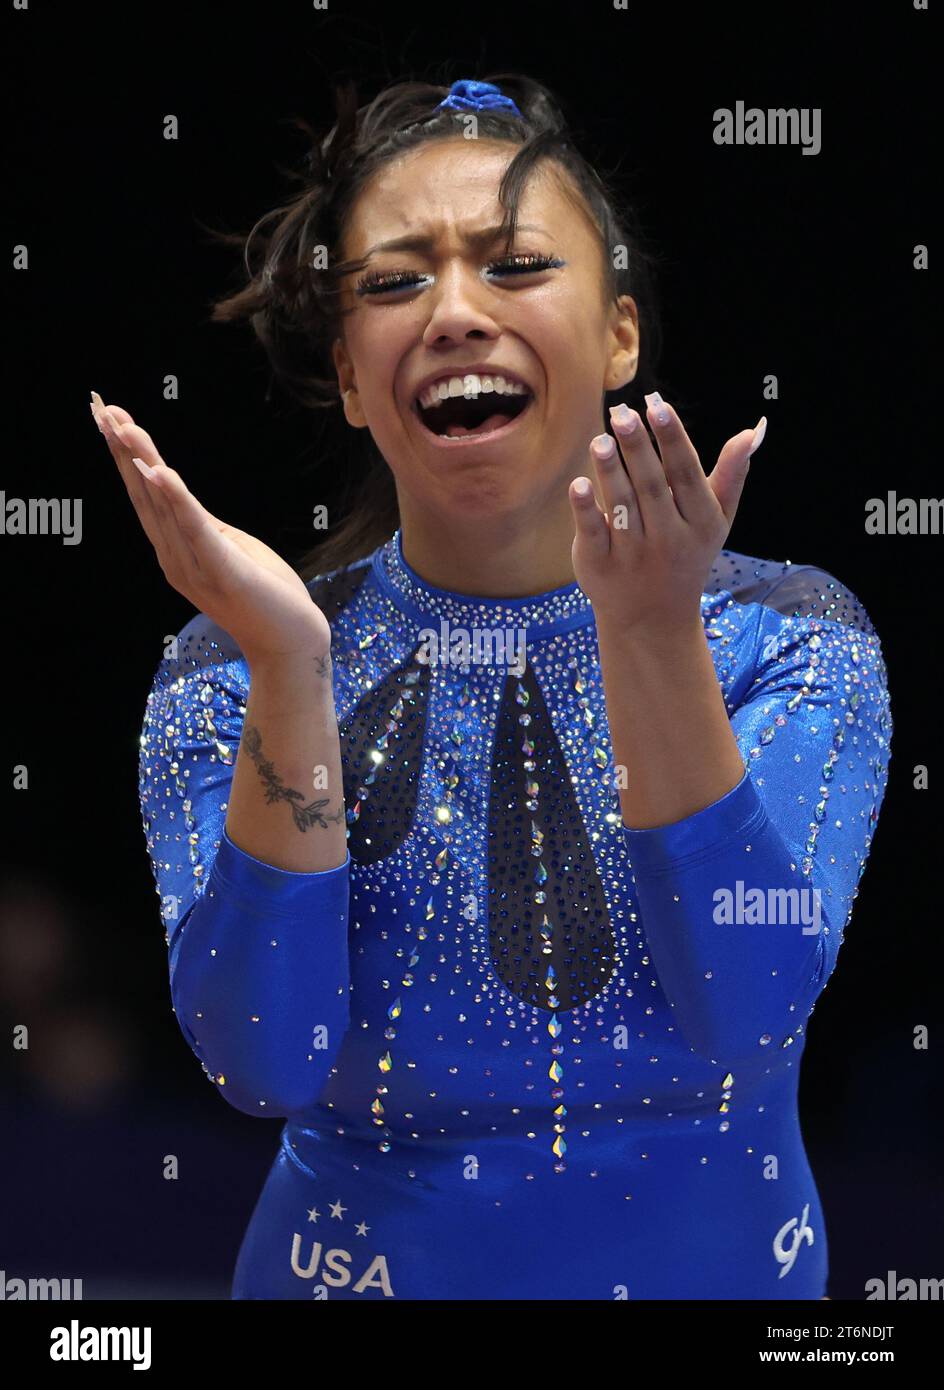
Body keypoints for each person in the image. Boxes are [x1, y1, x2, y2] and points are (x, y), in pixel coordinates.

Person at [93, 75, 892, 1300]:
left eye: (514, 264)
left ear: (620, 332)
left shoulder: (786, 636)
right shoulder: (234, 660)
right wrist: (293, 675)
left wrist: (647, 631)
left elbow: (748, 1006)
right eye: (395, 280)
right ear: (354, 380)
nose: (455, 311)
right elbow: (264, 1056)